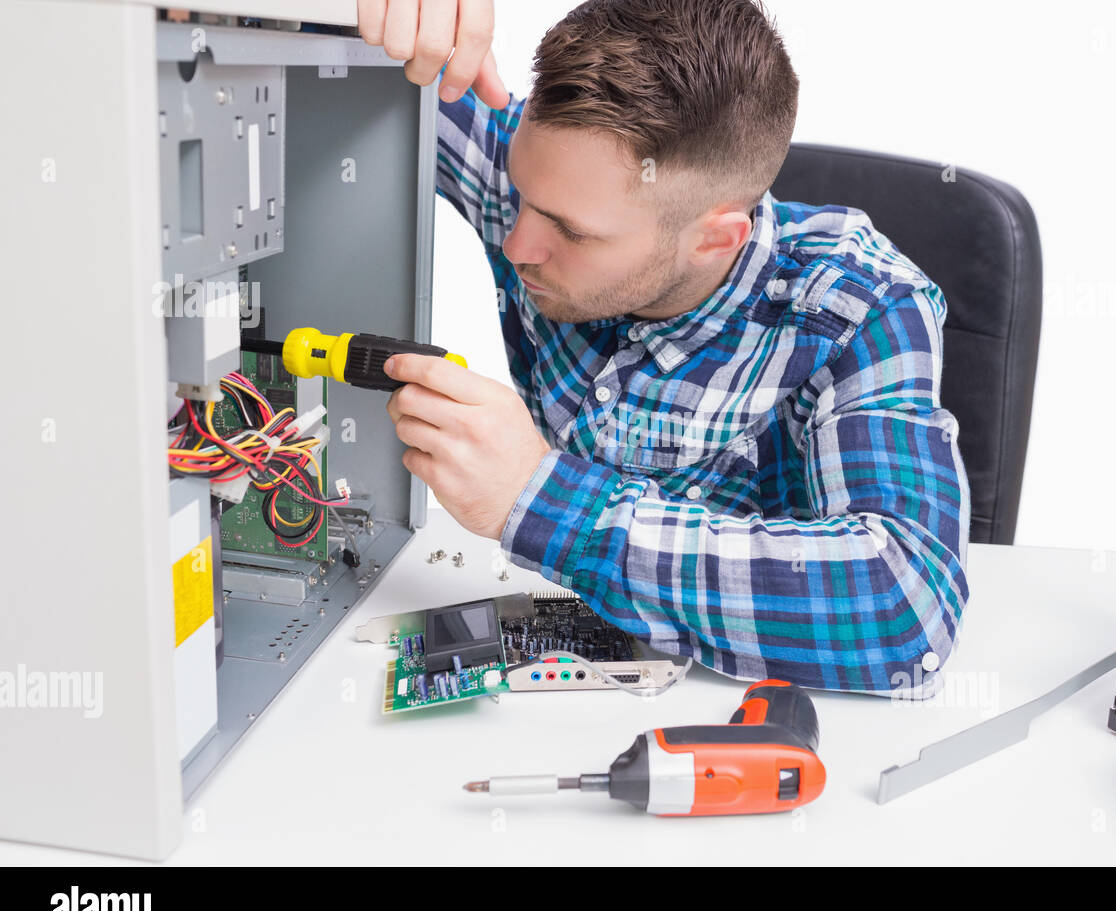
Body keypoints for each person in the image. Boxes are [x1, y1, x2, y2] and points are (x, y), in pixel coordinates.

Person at [362, 0, 970, 692]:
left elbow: (903, 610)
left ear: (715, 239)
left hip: (730, 715)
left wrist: (534, 496)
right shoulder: (556, 176)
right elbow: (335, 43)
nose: (517, 242)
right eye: (521, 192)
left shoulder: (860, 306)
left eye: (573, 232)